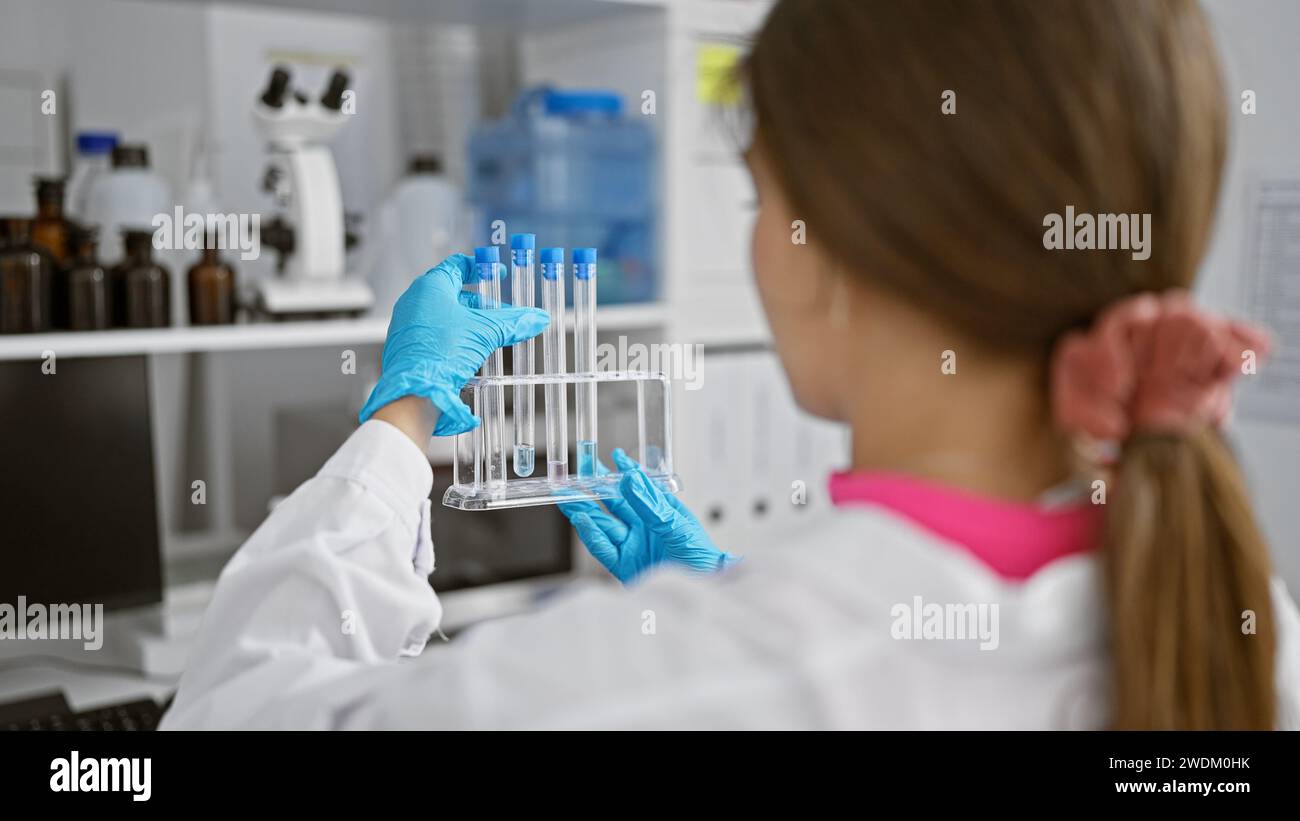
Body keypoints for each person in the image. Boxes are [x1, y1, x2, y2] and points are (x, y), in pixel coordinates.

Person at [161, 0, 1300, 730]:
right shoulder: (1238, 619)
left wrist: (400, 420)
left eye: (763, 196)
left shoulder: (636, 690)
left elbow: (228, 717)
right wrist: (735, 588)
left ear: (833, 251)